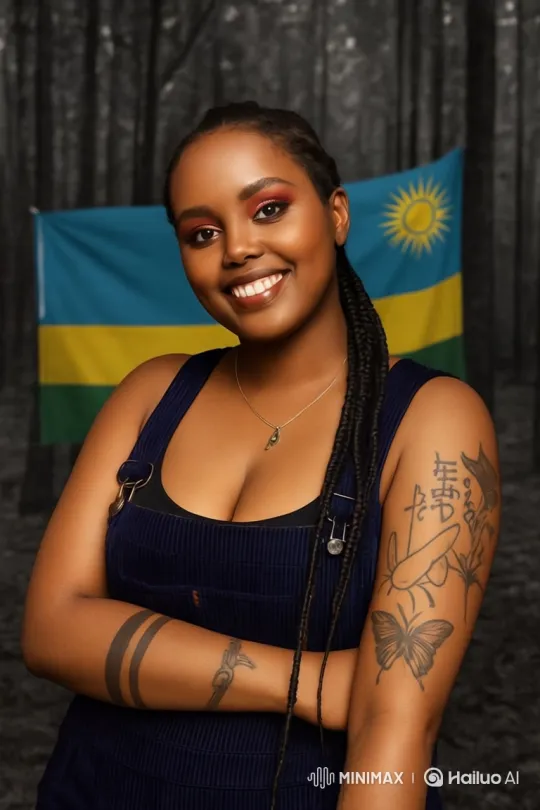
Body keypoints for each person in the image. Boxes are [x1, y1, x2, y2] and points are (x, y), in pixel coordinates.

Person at [22, 101, 500, 810]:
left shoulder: (433, 420)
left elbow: (394, 724)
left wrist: (362, 697)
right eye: (202, 232)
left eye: (269, 209)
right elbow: (51, 629)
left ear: (336, 215)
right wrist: (313, 682)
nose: (237, 248)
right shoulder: (152, 393)